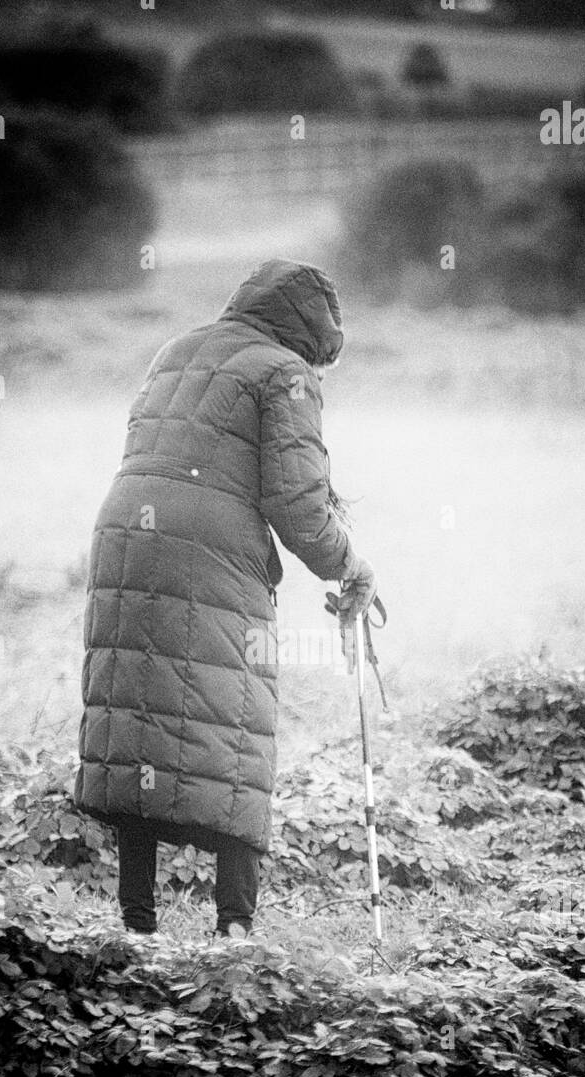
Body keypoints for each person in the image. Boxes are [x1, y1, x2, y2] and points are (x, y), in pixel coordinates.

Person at [73, 259, 377, 935]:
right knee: (235, 723)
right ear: (310, 335)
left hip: (126, 533)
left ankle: (137, 924)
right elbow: (296, 505)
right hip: (209, 549)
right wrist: (349, 564)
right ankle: (235, 929)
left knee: (139, 714)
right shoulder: (284, 373)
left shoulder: (177, 348)